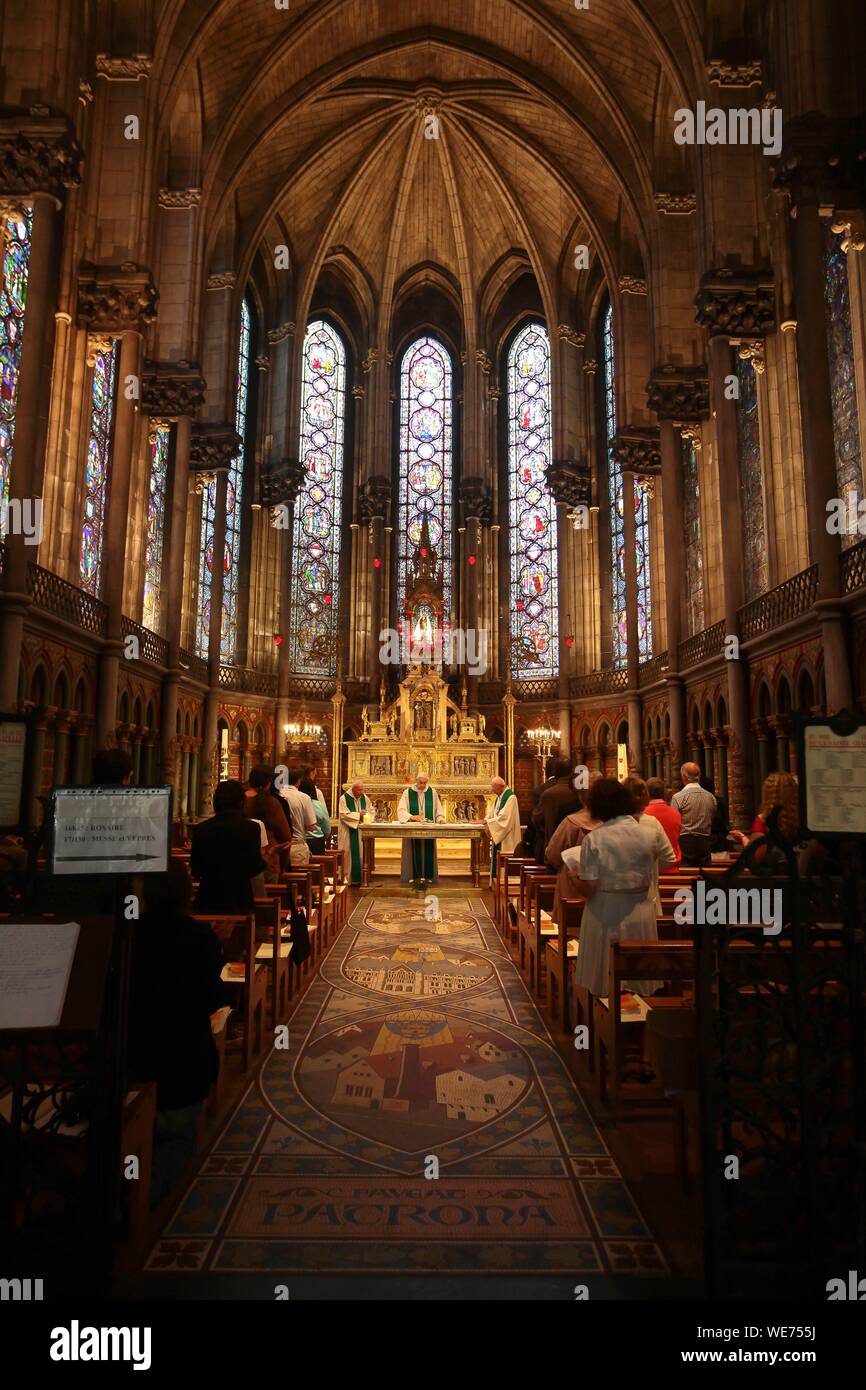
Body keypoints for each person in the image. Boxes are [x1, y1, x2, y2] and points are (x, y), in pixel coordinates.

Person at [127, 861, 233, 1204]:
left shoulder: (128, 933)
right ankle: (141, 1199)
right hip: (183, 1062)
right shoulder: (198, 936)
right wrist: (220, 950)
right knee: (176, 1142)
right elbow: (212, 998)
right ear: (186, 894)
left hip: (134, 1058)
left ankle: (124, 1193)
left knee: (141, 1137)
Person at [563, 778, 660, 998]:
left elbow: (589, 888)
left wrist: (573, 877)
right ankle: (638, 1025)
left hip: (605, 913)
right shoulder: (649, 835)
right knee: (637, 977)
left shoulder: (595, 839)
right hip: (641, 911)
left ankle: (603, 1024)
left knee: (604, 980)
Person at [191, 779, 265, 912]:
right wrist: (268, 858)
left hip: (208, 899)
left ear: (216, 802)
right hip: (240, 899)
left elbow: (196, 870)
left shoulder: (201, 829)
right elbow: (254, 868)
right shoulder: (251, 828)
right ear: (241, 802)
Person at [544, 771, 602, 923]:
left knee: (570, 926)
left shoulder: (571, 823)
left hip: (573, 884)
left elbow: (552, 854)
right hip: (603, 884)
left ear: (581, 797)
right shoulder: (613, 823)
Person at [624, 775, 677, 915]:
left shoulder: (612, 823)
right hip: (647, 894)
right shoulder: (652, 822)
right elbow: (669, 859)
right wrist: (651, 864)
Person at [397, 772, 445, 883]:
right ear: (416, 781)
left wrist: (440, 818)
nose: (423, 785)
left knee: (429, 851)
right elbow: (401, 810)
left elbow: (438, 808)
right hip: (413, 828)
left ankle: (429, 878)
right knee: (413, 852)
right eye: (420, 782)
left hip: (429, 828)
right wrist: (411, 817)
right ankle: (413, 877)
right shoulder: (407, 792)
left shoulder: (432, 792)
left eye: (425, 783)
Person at [244, 765, 292, 878]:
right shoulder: (271, 803)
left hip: (242, 862)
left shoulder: (240, 799)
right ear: (269, 783)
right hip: (268, 861)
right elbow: (285, 838)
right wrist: (283, 865)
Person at [671, 761, 716, 867]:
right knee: (702, 874)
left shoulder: (678, 797)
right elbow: (712, 816)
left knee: (686, 873)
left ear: (684, 777)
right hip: (704, 842)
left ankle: (688, 884)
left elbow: (675, 822)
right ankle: (701, 885)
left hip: (685, 843)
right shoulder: (711, 797)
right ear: (698, 777)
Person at [533, 758, 578, 857]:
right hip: (575, 848)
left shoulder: (548, 794)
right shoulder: (579, 793)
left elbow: (537, 819)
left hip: (552, 847)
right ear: (572, 773)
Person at [485, 775, 521, 884]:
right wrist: (486, 820)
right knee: (497, 857)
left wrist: (488, 822)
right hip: (501, 836)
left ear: (501, 787)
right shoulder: (499, 797)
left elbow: (504, 819)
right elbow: (492, 813)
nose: (492, 790)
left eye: (493, 788)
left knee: (505, 860)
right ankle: (497, 883)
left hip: (507, 837)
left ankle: (508, 885)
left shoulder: (510, 798)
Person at [280, 766, 317, 865]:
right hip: (297, 846)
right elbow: (311, 827)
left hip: (279, 847)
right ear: (299, 781)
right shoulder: (304, 797)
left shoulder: (277, 795)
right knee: (298, 879)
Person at [643, 776, 682, 864]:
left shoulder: (642, 814)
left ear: (647, 793)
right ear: (664, 793)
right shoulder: (676, 814)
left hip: (651, 866)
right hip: (673, 865)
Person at [338, 780, 370, 884]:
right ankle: (347, 879)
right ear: (353, 789)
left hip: (360, 830)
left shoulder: (364, 798)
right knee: (348, 854)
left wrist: (368, 814)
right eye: (359, 790)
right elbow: (343, 815)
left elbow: (370, 809)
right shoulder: (344, 799)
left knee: (361, 854)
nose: (361, 792)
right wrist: (359, 815)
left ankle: (360, 878)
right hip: (348, 830)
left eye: (362, 789)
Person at [701, 773, 731, 852]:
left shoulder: (702, 802)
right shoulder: (721, 801)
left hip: (709, 842)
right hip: (720, 842)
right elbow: (726, 822)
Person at [300, 773, 330, 850]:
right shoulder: (318, 805)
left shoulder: (294, 802)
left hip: (299, 841)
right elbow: (327, 829)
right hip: (316, 842)